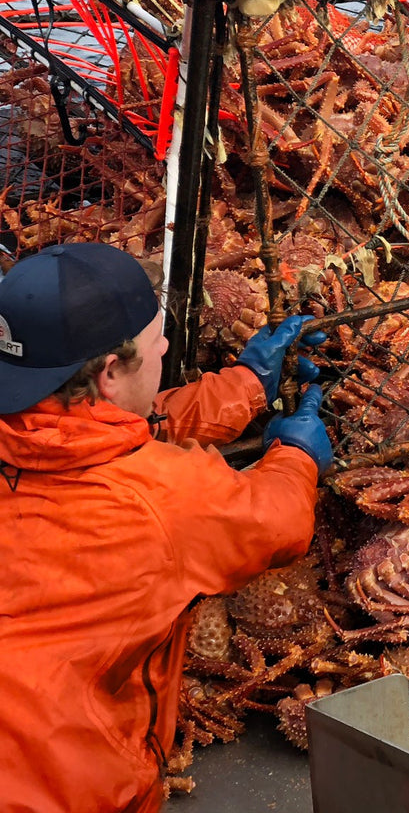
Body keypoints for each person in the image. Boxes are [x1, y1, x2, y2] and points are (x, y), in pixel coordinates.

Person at [0, 242, 336, 812]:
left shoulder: (33, 425)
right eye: (159, 341)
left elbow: (97, 435)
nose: (164, 348)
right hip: (60, 788)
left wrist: (246, 386)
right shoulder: (160, 499)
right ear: (109, 372)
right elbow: (276, 521)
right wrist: (295, 455)